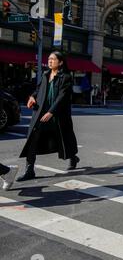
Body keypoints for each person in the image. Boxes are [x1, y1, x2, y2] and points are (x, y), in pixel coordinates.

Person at [17, 51, 80, 181]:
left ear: (60, 62)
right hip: (41, 113)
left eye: (53, 59)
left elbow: (62, 97)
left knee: (64, 140)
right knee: (33, 139)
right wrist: (32, 97)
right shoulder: (46, 74)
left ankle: (73, 157)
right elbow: (38, 90)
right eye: (49, 59)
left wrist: (51, 112)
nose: (50, 61)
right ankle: (30, 170)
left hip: (58, 115)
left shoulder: (66, 77)